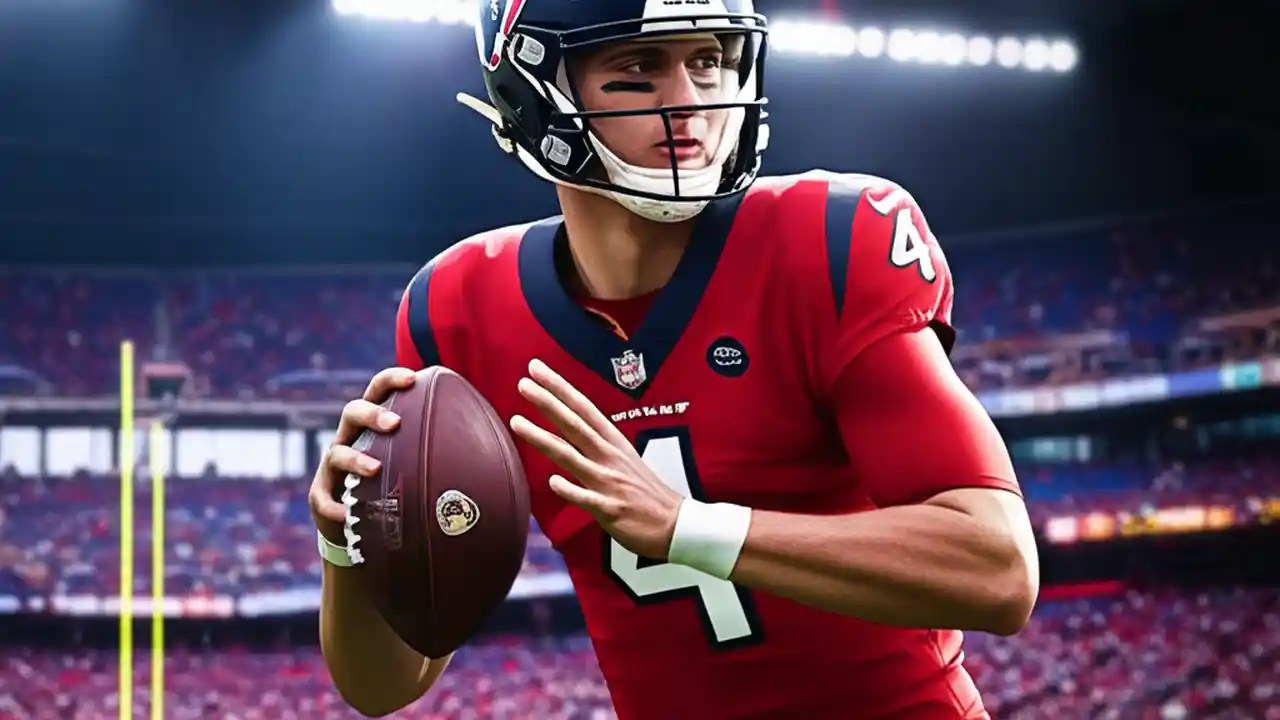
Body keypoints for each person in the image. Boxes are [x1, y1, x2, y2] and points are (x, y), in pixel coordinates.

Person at [309, 0, 1040, 717]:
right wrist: (344, 543)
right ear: (532, 90)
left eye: (709, 60)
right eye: (639, 68)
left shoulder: (826, 241)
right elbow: (383, 687)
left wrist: (686, 526)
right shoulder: (457, 309)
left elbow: (997, 566)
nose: (689, 100)